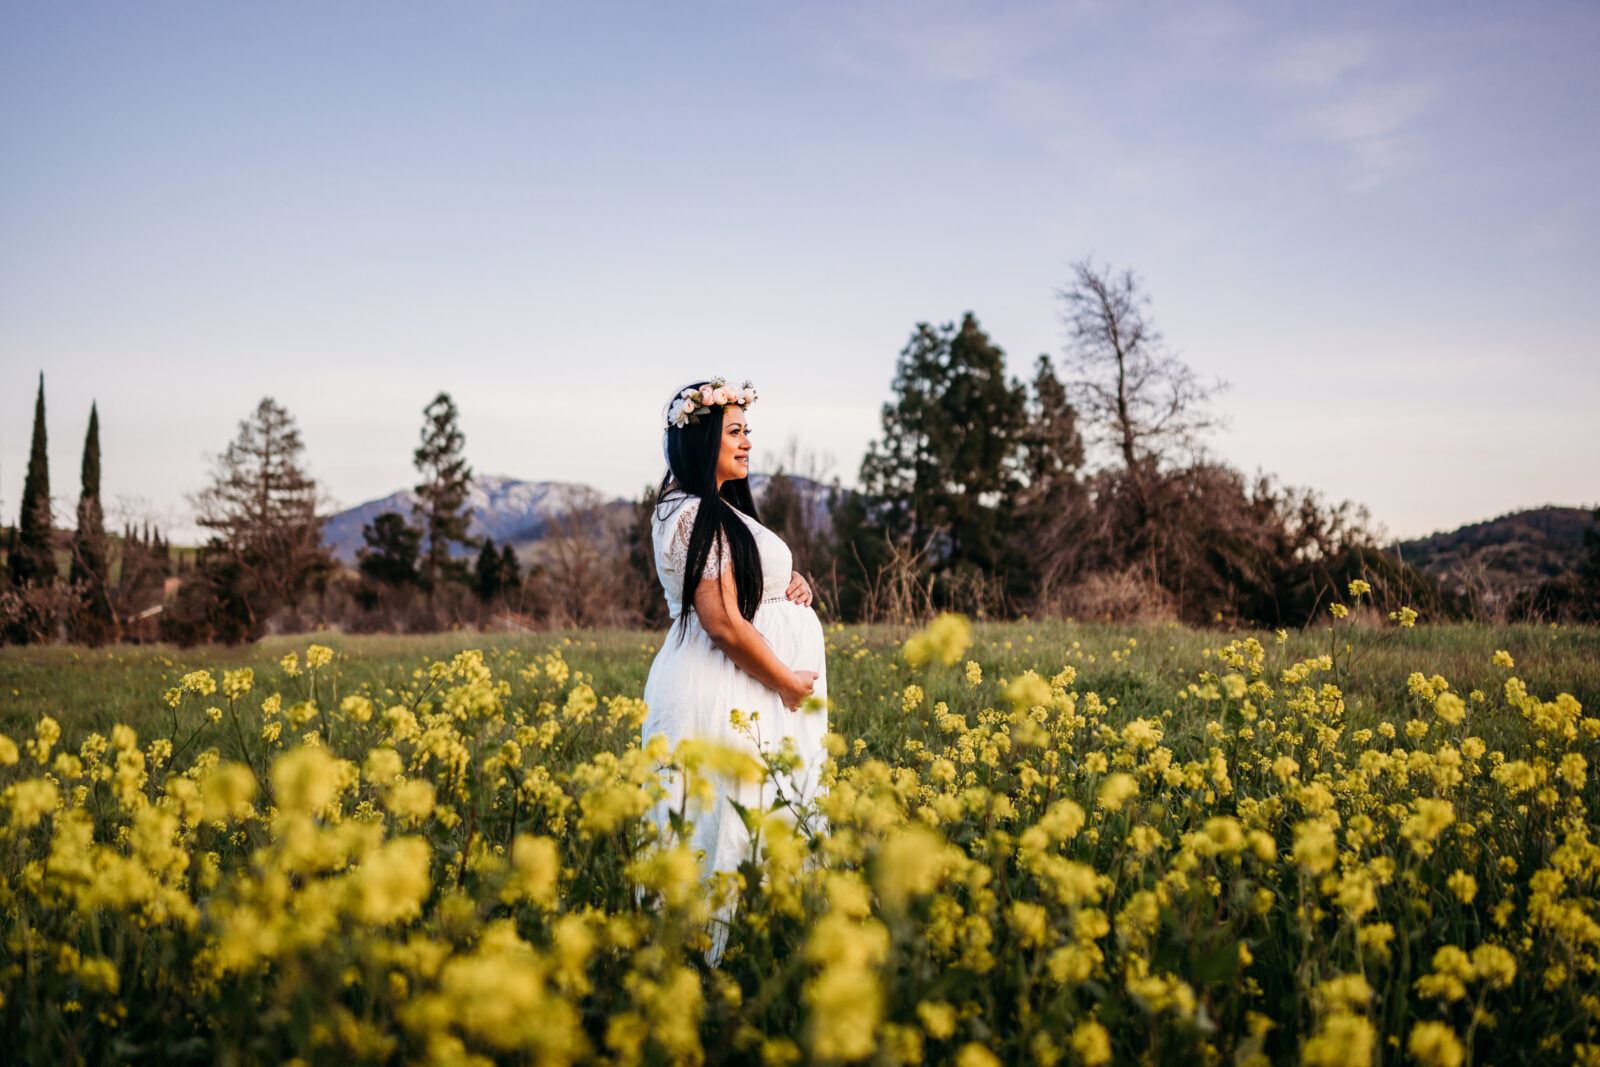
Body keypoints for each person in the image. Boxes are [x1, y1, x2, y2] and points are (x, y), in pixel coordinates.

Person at [639, 377, 829, 959]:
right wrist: (785, 681)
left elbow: (745, 592)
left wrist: (794, 586)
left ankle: (760, 942)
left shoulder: (715, 508)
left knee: (755, 806)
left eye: (749, 432)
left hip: (751, 686)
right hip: (724, 685)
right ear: (700, 441)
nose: (748, 444)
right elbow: (722, 623)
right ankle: (708, 957)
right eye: (736, 432)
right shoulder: (689, 513)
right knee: (723, 813)